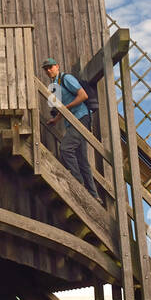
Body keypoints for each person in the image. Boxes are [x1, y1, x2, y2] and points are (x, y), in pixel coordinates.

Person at [42, 56, 100, 201]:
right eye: (46, 69)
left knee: (65, 149)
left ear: (57, 66)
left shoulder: (66, 78)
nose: (49, 70)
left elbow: (83, 96)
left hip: (81, 118)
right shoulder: (54, 86)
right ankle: (94, 196)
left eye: (51, 67)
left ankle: (78, 183)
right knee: (82, 160)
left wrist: (65, 108)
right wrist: (56, 120)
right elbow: (62, 107)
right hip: (72, 122)